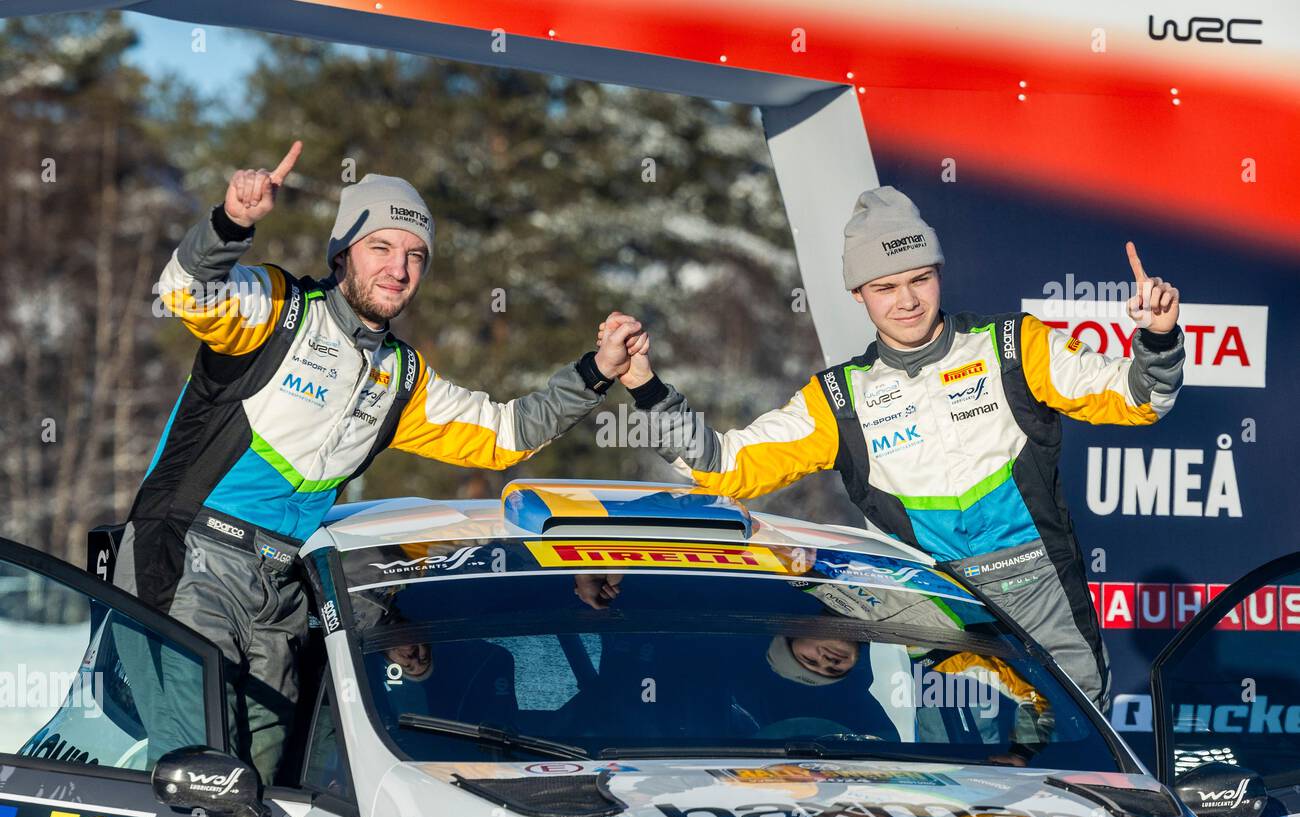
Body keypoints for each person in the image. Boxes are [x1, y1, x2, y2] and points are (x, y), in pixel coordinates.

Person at [113, 142, 648, 782]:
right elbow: (186, 293)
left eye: (414, 256)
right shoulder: (277, 310)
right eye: (381, 248)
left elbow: (504, 434)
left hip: (281, 586)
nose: (399, 268)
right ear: (343, 255)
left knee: (263, 789)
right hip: (188, 559)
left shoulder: (401, 377)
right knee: (200, 783)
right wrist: (232, 223)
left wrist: (596, 373)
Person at [603, 185, 1186, 713]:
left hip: (1041, 593)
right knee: (966, 794)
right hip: (935, 610)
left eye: (919, 279)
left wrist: (1158, 338)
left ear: (938, 273)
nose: (906, 300)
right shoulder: (838, 397)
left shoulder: (1015, 344)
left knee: (1079, 773)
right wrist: (645, 387)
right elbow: (727, 468)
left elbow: (1138, 399)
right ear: (858, 293)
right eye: (885, 286)